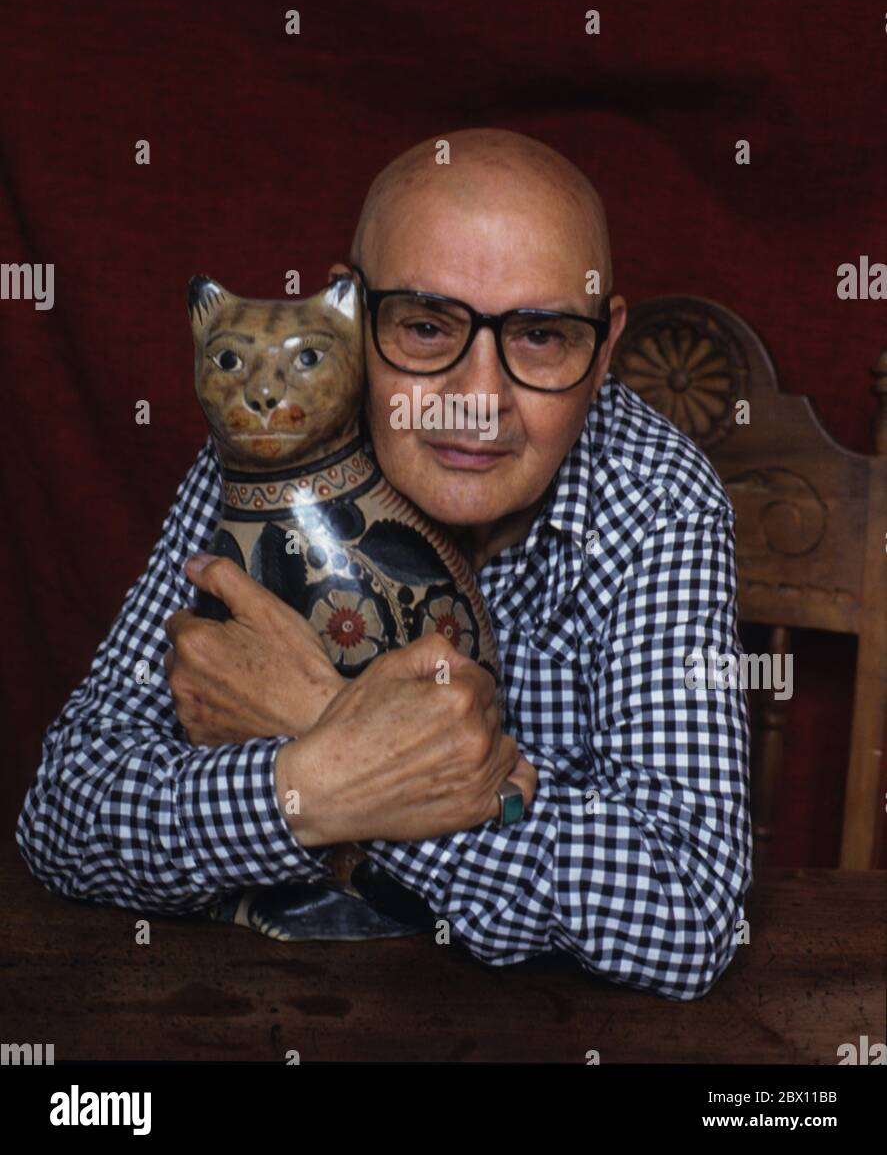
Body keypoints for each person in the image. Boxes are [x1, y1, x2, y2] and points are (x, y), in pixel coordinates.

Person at [17, 127, 753, 1000]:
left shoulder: (658, 495)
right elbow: (64, 811)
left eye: (543, 336)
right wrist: (322, 781)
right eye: (426, 326)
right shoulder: (268, 453)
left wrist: (311, 721)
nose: (480, 400)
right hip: (256, 1007)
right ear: (349, 319)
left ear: (604, 350)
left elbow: (685, 910)